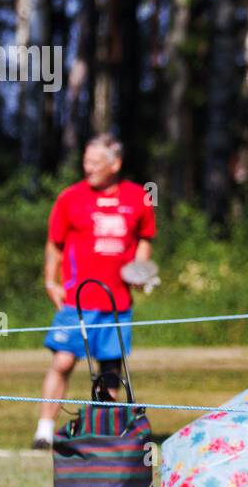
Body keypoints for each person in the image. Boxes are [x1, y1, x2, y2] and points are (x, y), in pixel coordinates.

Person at [32, 134, 156, 450]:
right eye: (86, 161)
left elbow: (145, 238)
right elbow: (55, 243)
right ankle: (44, 430)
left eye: (95, 162)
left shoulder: (138, 197)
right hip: (77, 300)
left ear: (115, 164)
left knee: (111, 369)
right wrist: (50, 280)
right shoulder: (70, 198)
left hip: (116, 303)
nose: (88, 168)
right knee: (62, 361)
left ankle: (103, 433)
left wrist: (140, 270)